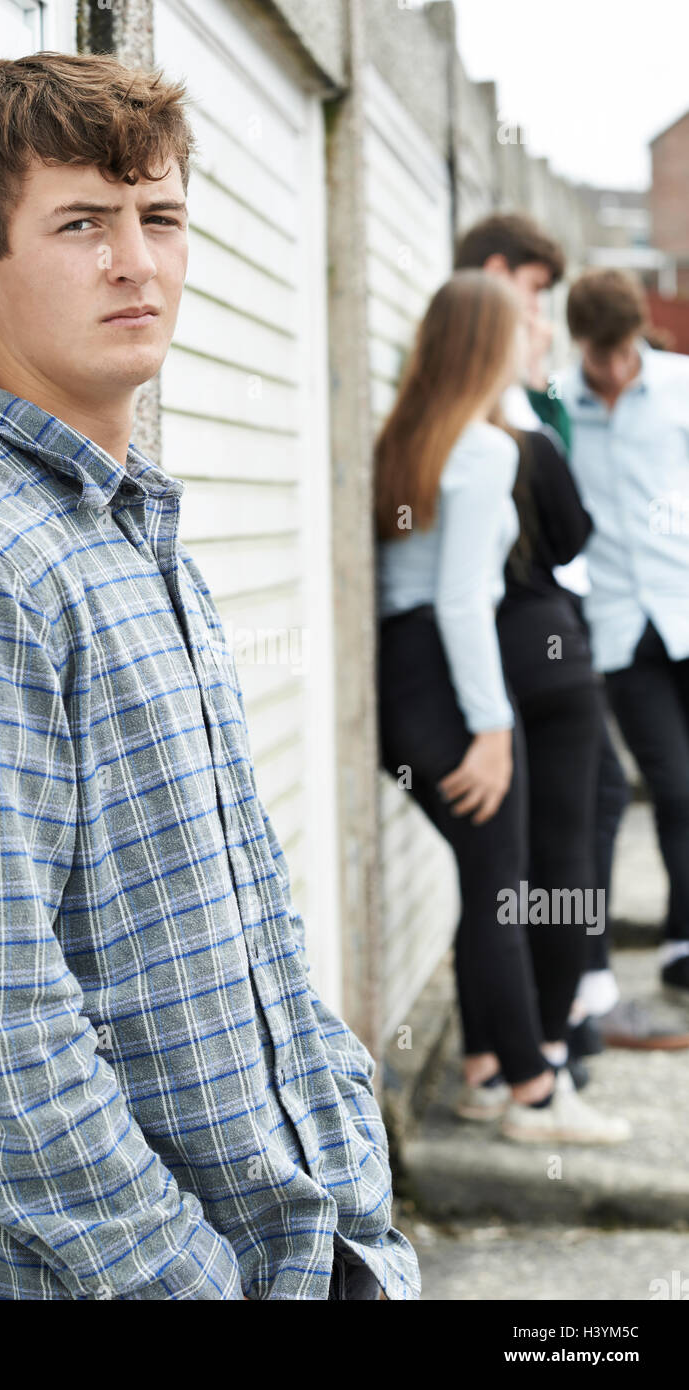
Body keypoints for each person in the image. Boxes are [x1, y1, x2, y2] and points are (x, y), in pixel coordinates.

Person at [0, 52, 414, 1301]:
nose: (135, 261)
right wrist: (193, 1283)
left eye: (159, 218)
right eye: (82, 223)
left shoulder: (125, 529)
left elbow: (255, 927)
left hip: (305, 1251)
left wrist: (357, 1187)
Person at [375, 269, 630, 1144]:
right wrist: (490, 728)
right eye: (521, 324)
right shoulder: (484, 450)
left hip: (400, 678)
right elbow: (460, 601)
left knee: (492, 883)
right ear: (488, 346)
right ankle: (533, 1094)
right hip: (445, 681)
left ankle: (489, 1070)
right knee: (505, 889)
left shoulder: (410, 433)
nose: (536, 337)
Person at [455, 213, 635, 1055]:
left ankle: (511, 1048)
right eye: (531, 298)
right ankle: (552, 1046)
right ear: (496, 278)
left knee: (516, 857)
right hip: (536, 644)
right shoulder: (504, 421)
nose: (538, 319)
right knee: (556, 851)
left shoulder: (452, 399)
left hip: (509, 650)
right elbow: (566, 535)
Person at [559, 268, 689, 1023]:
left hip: (685, 605)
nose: (610, 370)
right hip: (615, 624)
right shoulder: (556, 403)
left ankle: (682, 942)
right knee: (672, 783)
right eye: (597, 355)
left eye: (621, 353)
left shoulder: (679, 386)